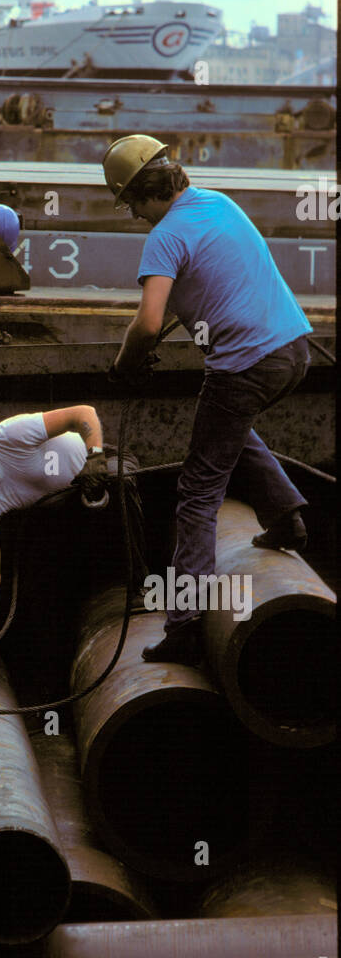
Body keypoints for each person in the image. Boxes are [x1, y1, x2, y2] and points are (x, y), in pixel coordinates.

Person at [104, 134, 313, 666]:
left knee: (197, 493)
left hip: (244, 366)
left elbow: (149, 322)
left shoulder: (164, 236)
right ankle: (286, 516)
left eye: (131, 205)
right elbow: (201, 289)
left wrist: (126, 364)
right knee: (229, 428)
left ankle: (185, 626)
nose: (135, 216)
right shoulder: (218, 202)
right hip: (293, 350)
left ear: (143, 196)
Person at [0, 409, 148, 677]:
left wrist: (94, 459)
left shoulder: (8, 435)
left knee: (119, 481)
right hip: (66, 502)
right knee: (40, 567)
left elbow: (83, 413)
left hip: (102, 464)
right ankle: (51, 676)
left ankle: (139, 587)